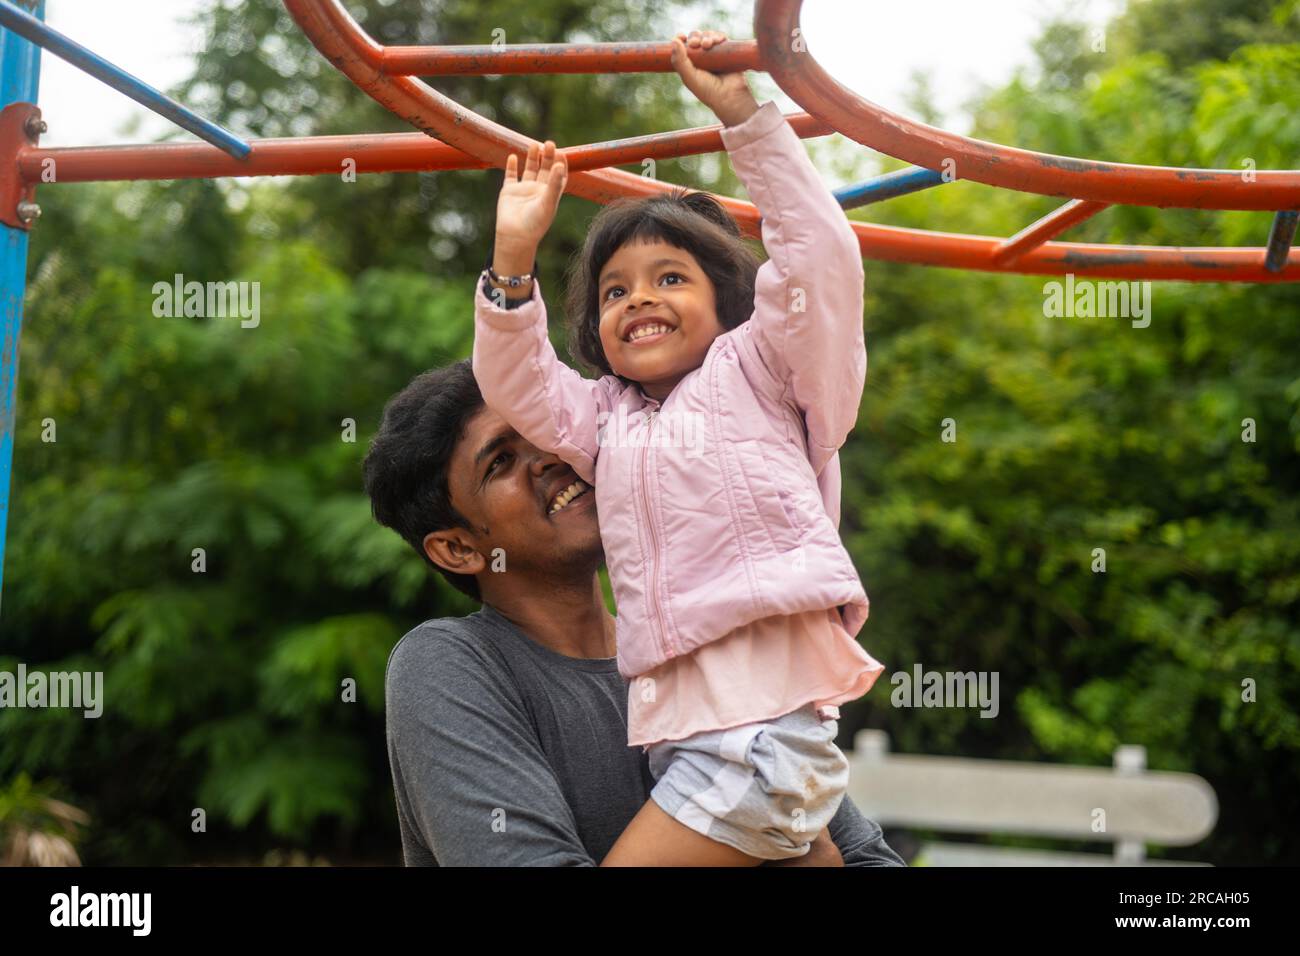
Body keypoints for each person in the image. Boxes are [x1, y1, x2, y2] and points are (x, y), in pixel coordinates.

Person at [469, 30, 885, 864]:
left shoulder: (766, 373)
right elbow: (521, 389)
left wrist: (744, 121)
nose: (638, 300)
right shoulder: (608, 419)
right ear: (600, 333)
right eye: (615, 291)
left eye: (669, 278)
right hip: (691, 736)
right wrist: (514, 260)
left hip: (756, 735)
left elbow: (821, 263)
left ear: (728, 306)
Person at [363, 360, 904, 866]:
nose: (551, 453)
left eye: (547, 426)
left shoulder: (705, 647)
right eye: (501, 460)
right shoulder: (448, 667)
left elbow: (864, 855)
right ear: (458, 548)